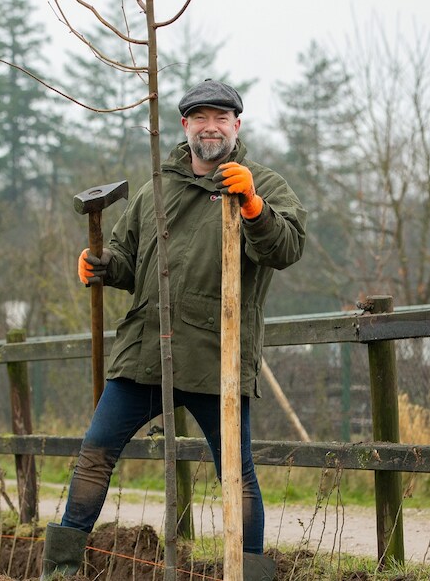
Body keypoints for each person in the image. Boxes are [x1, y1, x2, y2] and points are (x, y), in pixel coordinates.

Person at [41, 79, 307, 581]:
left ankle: (245, 574)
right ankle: (61, 569)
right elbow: (127, 257)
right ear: (185, 126)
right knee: (94, 454)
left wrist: (253, 206)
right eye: (200, 118)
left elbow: (286, 248)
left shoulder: (262, 184)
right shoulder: (155, 190)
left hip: (217, 355)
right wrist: (100, 263)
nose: (211, 127)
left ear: (237, 126)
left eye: (221, 118)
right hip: (146, 352)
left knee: (237, 477)